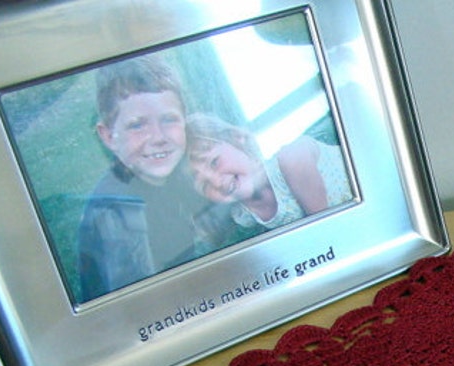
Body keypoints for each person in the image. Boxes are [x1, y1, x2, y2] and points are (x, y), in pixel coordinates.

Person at [75, 55, 226, 303]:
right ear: (108, 136)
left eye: (169, 119)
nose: (158, 137)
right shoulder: (117, 212)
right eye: (137, 125)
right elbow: (140, 309)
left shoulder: (178, 172)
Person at [184, 112, 353, 231]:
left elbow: (329, 232)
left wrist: (259, 177)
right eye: (204, 185)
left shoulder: (288, 161)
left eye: (214, 162)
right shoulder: (243, 215)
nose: (217, 182)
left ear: (237, 139)